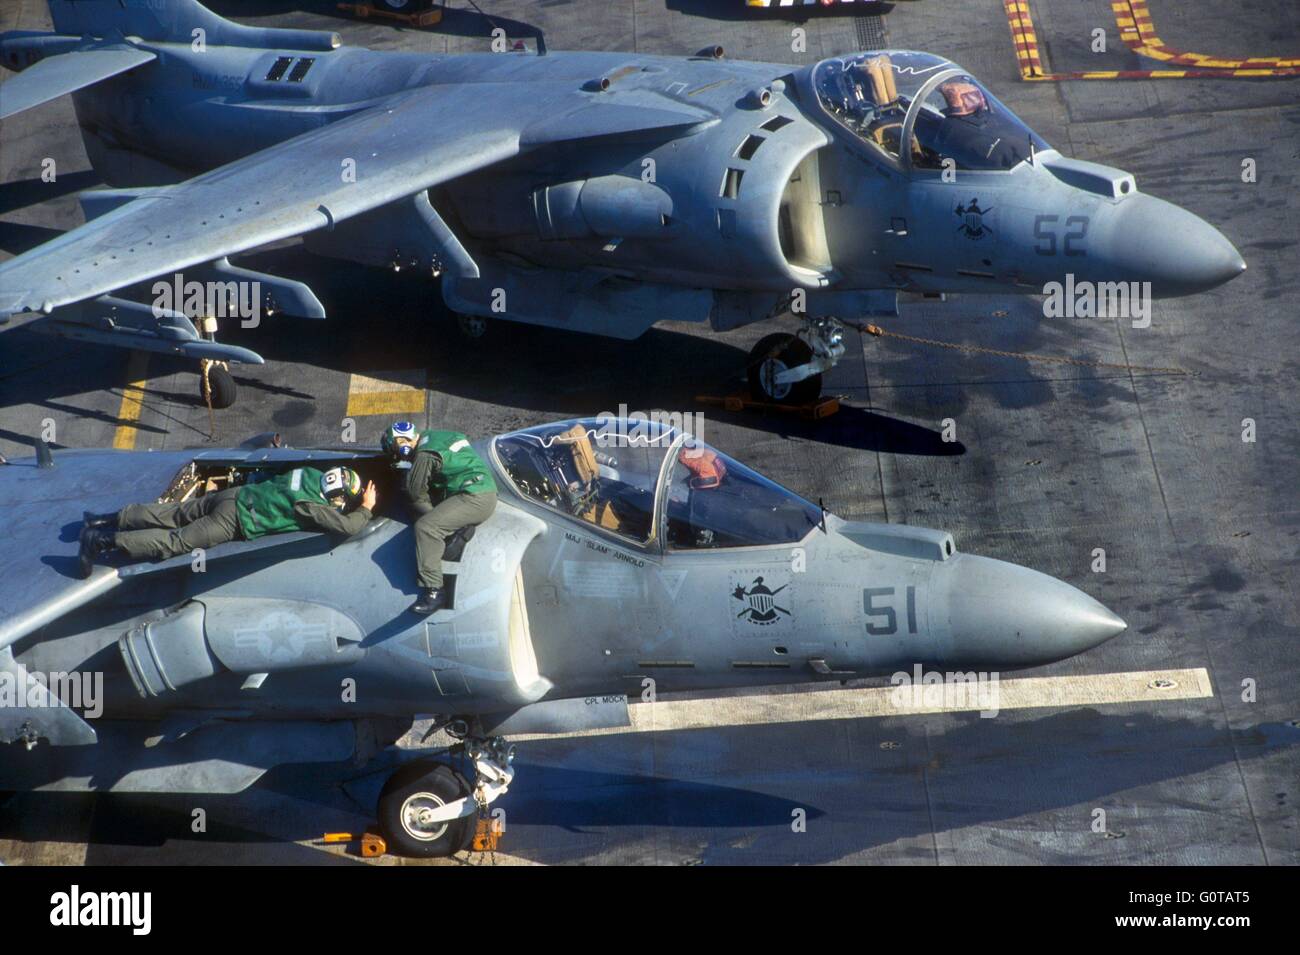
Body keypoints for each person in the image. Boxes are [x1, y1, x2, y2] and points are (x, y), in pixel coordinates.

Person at [78, 466, 376, 578]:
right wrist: (366, 507)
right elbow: (348, 526)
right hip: (234, 520)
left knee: (173, 512)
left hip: (232, 495)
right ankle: (101, 541)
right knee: (176, 541)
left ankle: (105, 519)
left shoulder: (309, 473)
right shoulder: (311, 506)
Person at [382, 421, 497, 615]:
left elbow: (414, 492)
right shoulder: (435, 437)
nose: (397, 453)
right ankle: (457, 528)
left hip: (474, 497)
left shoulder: (424, 455)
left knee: (426, 527)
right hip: (479, 489)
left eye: (395, 448)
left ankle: (434, 590)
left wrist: (430, 514)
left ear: (403, 442)